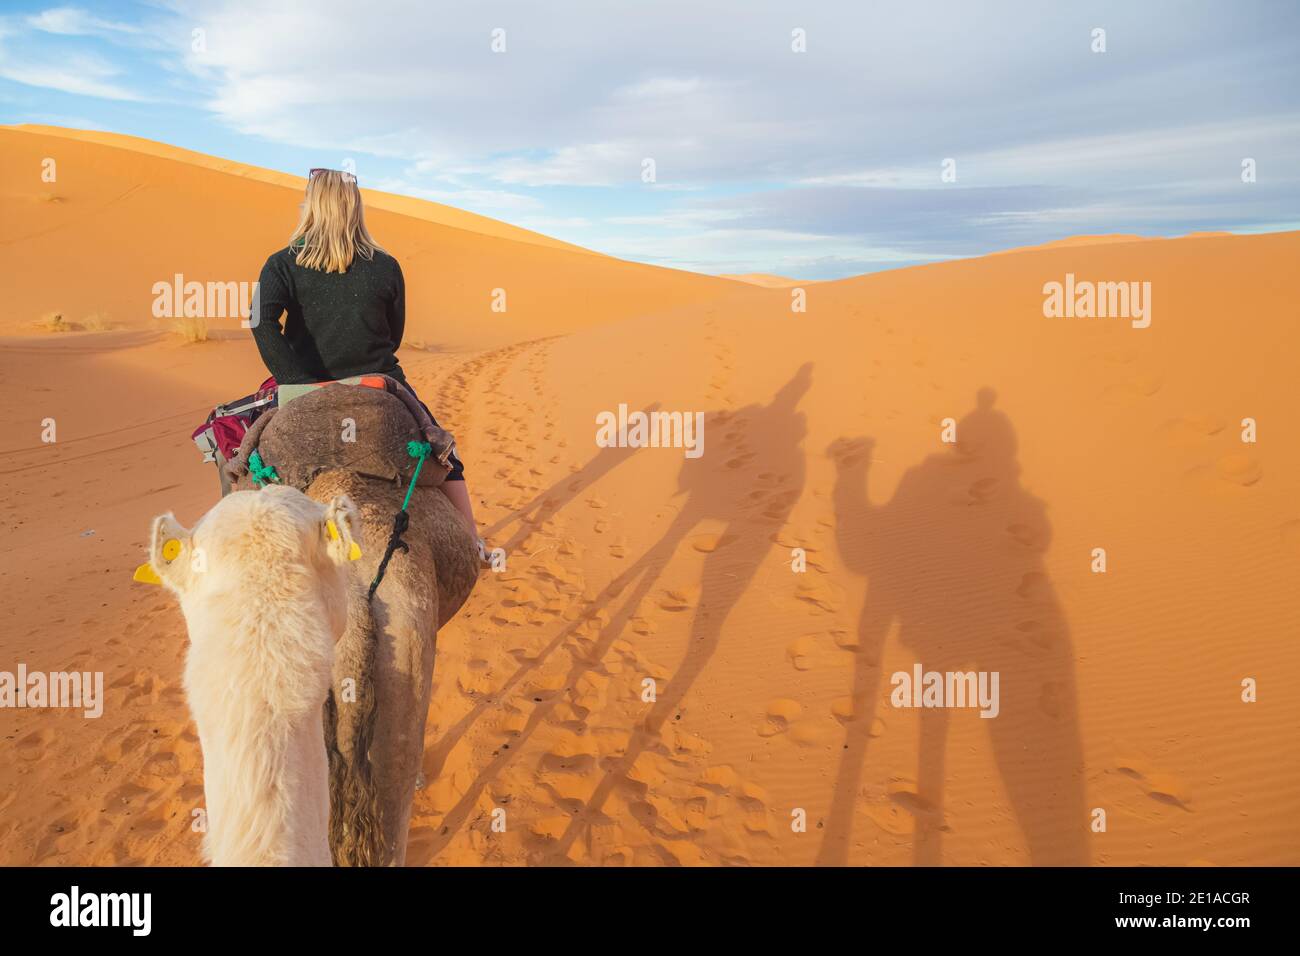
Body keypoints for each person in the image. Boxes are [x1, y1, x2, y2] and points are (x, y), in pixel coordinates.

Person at [248, 168, 476, 534]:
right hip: (379, 384)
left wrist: (299, 384)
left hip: (305, 388)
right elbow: (393, 333)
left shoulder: (281, 264)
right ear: (354, 208)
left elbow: (261, 322)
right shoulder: (386, 266)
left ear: (311, 207)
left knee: (247, 460)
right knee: (446, 454)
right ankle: (473, 543)